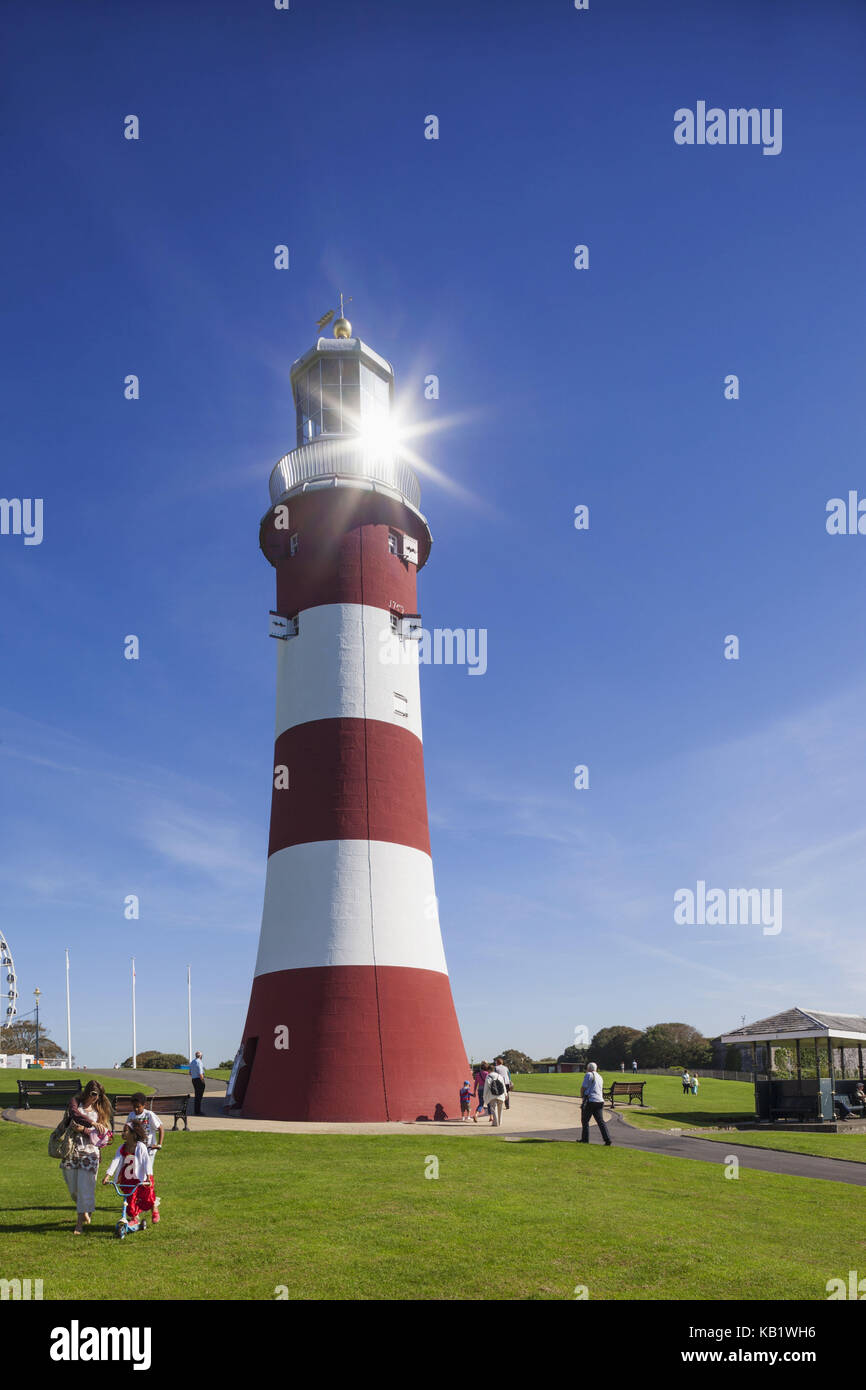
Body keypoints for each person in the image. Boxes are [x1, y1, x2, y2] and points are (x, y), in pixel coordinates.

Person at [60, 1080, 113, 1234]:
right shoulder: (76, 1104)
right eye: (93, 1094)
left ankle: (79, 1224)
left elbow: (105, 1134)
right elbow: (73, 1118)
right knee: (73, 1189)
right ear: (87, 1092)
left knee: (84, 1187)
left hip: (90, 1152)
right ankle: (86, 1208)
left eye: (98, 1095)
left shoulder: (100, 1111)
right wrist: (90, 1125)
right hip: (72, 1150)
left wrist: (85, 1130)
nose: (96, 1098)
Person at [103, 1118, 159, 1228]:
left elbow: (146, 1162)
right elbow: (115, 1161)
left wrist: (148, 1177)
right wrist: (107, 1175)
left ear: (133, 1134)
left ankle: (154, 1208)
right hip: (129, 1179)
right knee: (130, 1200)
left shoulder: (140, 1146)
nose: (123, 1133)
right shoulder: (122, 1148)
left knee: (147, 1197)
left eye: (125, 1131)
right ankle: (134, 1218)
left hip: (143, 1177)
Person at [128, 1093, 164, 1177]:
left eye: (138, 1107)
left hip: (149, 1149)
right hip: (137, 1149)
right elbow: (128, 1130)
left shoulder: (149, 1114)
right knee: (138, 1172)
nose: (136, 1109)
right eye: (134, 1107)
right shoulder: (131, 1115)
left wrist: (159, 1144)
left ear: (144, 1105)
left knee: (147, 1172)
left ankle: (149, 1188)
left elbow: (161, 1128)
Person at [578, 1062, 612, 1146]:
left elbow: (583, 1087)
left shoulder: (588, 1075)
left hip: (590, 1100)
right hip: (600, 1101)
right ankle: (607, 1139)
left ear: (589, 1068)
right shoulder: (600, 1076)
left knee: (585, 1120)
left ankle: (585, 1139)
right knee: (600, 1121)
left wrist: (582, 1096)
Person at [189, 1050, 206, 1116]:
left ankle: (196, 1111)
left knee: (197, 1095)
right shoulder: (199, 1062)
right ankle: (198, 1111)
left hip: (194, 1079)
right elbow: (200, 1073)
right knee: (199, 1096)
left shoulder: (192, 1062)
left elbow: (190, 1073)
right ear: (201, 1056)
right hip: (199, 1080)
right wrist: (202, 1081)